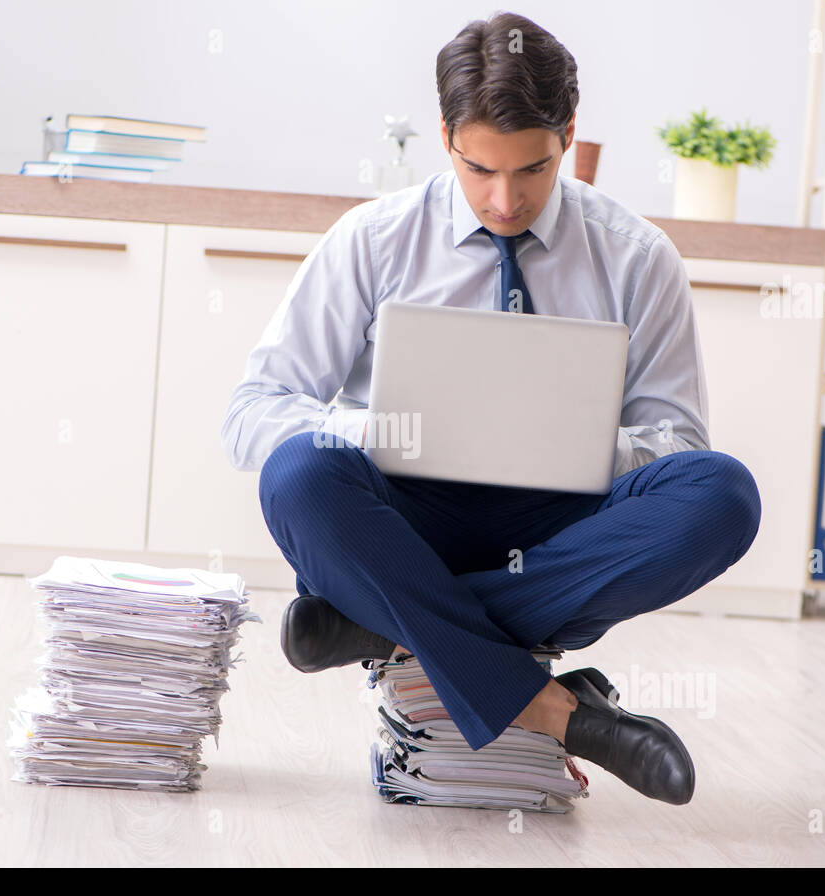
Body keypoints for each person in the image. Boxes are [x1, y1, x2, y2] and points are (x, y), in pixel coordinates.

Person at [220, 11, 761, 806]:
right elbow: (252, 412)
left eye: (533, 170)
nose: (505, 200)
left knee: (725, 495)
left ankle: (387, 619)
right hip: (406, 519)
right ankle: (565, 713)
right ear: (446, 137)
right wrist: (386, 431)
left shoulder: (638, 257)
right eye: (480, 170)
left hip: (560, 527)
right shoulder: (373, 239)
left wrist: (574, 444)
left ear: (569, 134)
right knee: (301, 473)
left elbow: (680, 440)